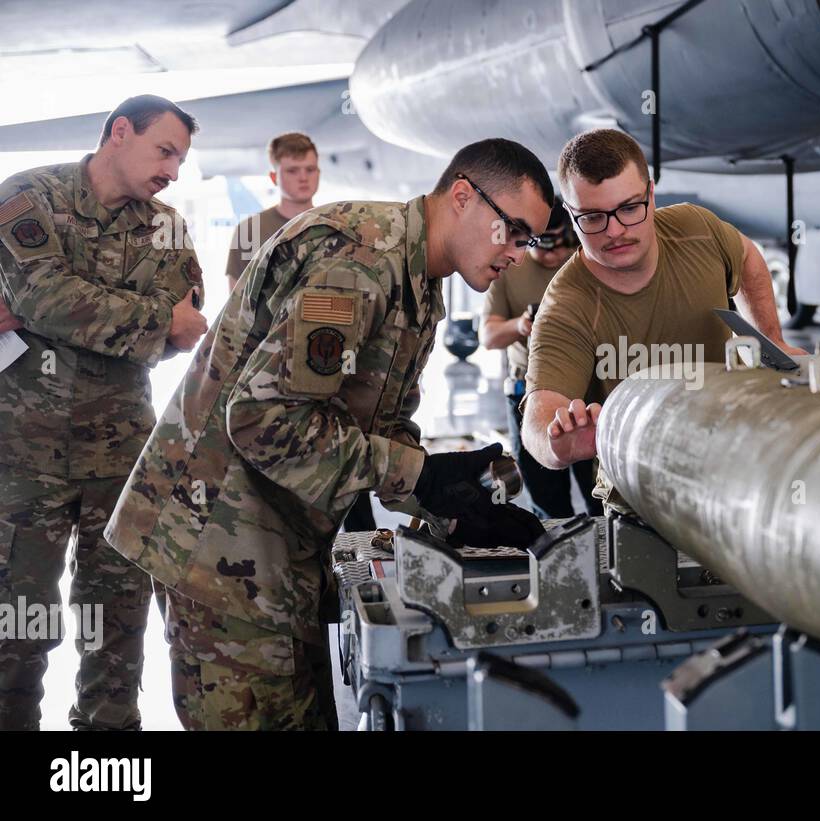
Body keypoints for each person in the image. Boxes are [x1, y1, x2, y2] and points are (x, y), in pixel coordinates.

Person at [104, 138, 553, 730]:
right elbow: (263, 419)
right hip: (217, 545)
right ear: (464, 196)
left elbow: (376, 426)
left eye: (530, 241)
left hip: (278, 547)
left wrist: (449, 504)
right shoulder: (360, 260)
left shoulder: (417, 280)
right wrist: (419, 475)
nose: (518, 254)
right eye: (514, 231)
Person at [0, 95, 208, 730]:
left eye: (180, 159)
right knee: (17, 627)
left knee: (115, 632)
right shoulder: (29, 197)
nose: (172, 171)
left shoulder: (167, 226)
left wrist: (46, 312)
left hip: (121, 459)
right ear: (120, 132)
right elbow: (47, 296)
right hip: (23, 458)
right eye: (164, 151)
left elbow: (186, 328)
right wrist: (144, 318)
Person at [521, 129, 804, 507]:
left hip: (731, 466)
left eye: (629, 208)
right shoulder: (567, 306)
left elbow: (748, 256)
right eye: (592, 217)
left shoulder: (697, 231)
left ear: (651, 195)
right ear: (571, 216)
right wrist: (559, 446)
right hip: (643, 496)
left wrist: (771, 339)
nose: (615, 230)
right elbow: (537, 419)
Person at [481, 202, 601, 520]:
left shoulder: (586, 262)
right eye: (546, 244)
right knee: (547, 503)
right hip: (527, 394)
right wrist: (520, 326)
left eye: (562, 243)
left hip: (586, 392)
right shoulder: (510, 267)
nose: (555, 254)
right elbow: (488, 336)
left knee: (601, 494)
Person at [226, 132, 321, 293]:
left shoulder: (334, 227)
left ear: (318, 172)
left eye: (310, 169)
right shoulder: (249, 231)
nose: (303, 177)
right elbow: (237, 300)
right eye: (292, 170)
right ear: (273, 177)